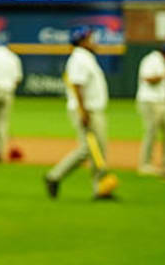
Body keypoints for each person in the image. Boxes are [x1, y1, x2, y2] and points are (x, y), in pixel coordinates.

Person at [44, 27, 116, 200]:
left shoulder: (86, 57)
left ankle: (100, 189)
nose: (94, 41)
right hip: (87, 110)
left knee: (97, 150)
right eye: (90, 38)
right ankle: (54, 176)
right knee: (89, 149)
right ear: (82, 42)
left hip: (91, 108)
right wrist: (83, 111)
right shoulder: (79, 59)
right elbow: (77, 85)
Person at [135, 41, 165, 175]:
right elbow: (147, 79)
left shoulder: (164, 62)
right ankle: (145, 164)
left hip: (162, 102)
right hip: (150, 101)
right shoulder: (151, 60)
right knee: (151, 133)